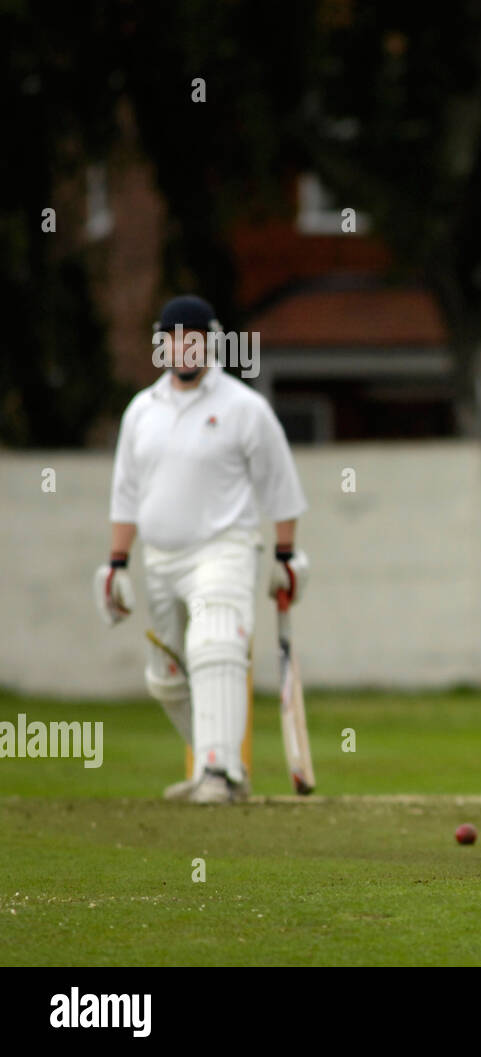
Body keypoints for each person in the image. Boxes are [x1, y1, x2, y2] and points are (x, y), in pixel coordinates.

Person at [95, 295, 309, 804]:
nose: (185, 347)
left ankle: (220, 773)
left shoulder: (243, 408)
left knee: (214, 644)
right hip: (160, 559)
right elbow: (125, 493)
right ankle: (215, 759)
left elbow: (280, 487)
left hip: (224, 549)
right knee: (166, 676)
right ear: (161, 344)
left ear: (212, 343)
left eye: (195, 338)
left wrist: (285, 558)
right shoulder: (141, 411)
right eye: (174, 339)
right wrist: (117, 563)